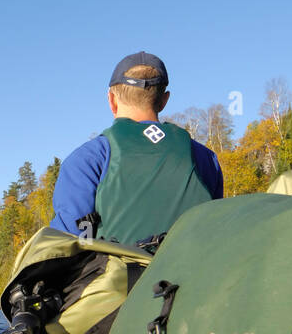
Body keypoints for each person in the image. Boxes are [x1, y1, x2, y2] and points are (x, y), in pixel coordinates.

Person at [50, 52, 223, 247]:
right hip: (196, 274)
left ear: (112, 100)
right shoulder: (206, 158)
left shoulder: (87, 159)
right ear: (164, 100)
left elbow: (66, 245)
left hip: (121, 276)